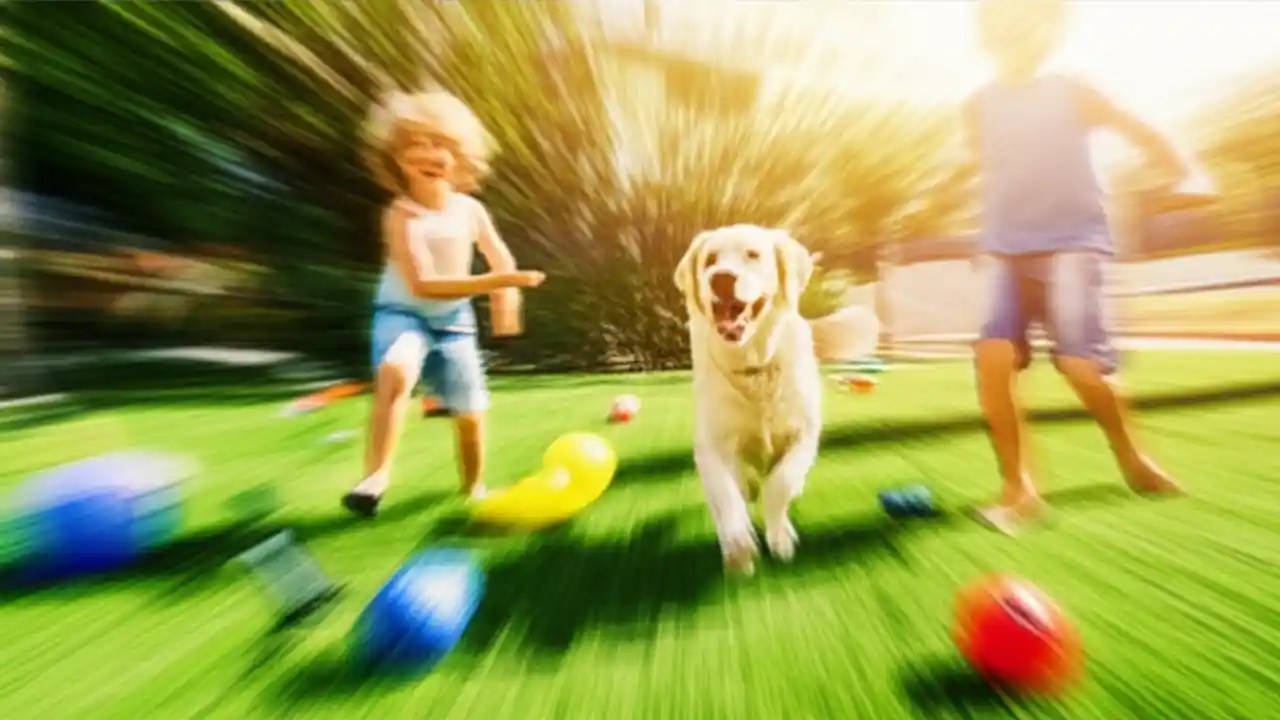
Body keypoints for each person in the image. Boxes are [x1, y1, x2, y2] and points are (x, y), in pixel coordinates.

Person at [952, 0, 1188, 533]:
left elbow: (1141, 131)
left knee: (1080, 366)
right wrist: (953, 192)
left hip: (1071, 246)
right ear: (986, 35)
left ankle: (1132, 456)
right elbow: (986, 164)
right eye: (1003, 23)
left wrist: (1181, 173)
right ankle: (1019, 490)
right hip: (1001, 249)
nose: (1017, 31)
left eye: (1032, 20)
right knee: (992, 355)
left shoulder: (1075, 91)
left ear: (1052, 30)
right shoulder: (977, 106)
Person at [344, 90, 545, 517]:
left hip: (454, 324)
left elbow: (500, 255)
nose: (428, 154)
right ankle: (374, 478)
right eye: (414, 145)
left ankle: (473, 487)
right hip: (404, 314)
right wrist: (500, 281)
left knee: (470, 411)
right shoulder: (401, 213)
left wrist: (505, 305)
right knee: (396, 370)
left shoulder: (470, 210)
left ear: (461, 158)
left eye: (441, 146)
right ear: (396, 159)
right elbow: (422, 284)